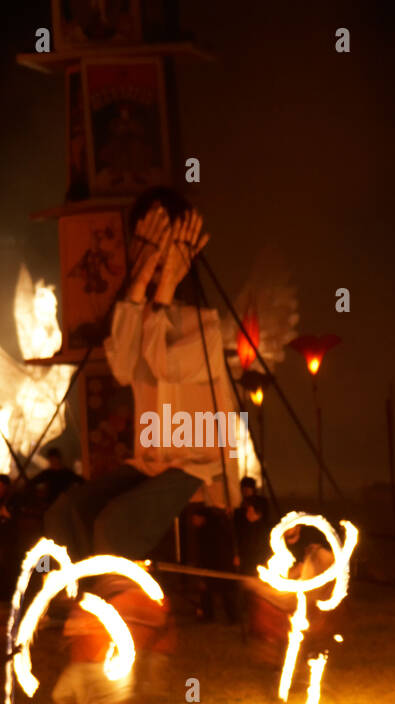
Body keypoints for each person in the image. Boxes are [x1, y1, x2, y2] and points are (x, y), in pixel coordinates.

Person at [45, 188, 241, 561]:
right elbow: (123, 366)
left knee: (115, 527)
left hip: (199, 462)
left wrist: (165, 282)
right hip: (152, 460)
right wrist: (140, 278)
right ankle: (75, 596)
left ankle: (118, 599)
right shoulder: (135, 314)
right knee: (67, 512)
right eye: (149, 242)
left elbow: (163, 363)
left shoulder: (204, 323)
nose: (157, 253)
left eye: (165, 244)